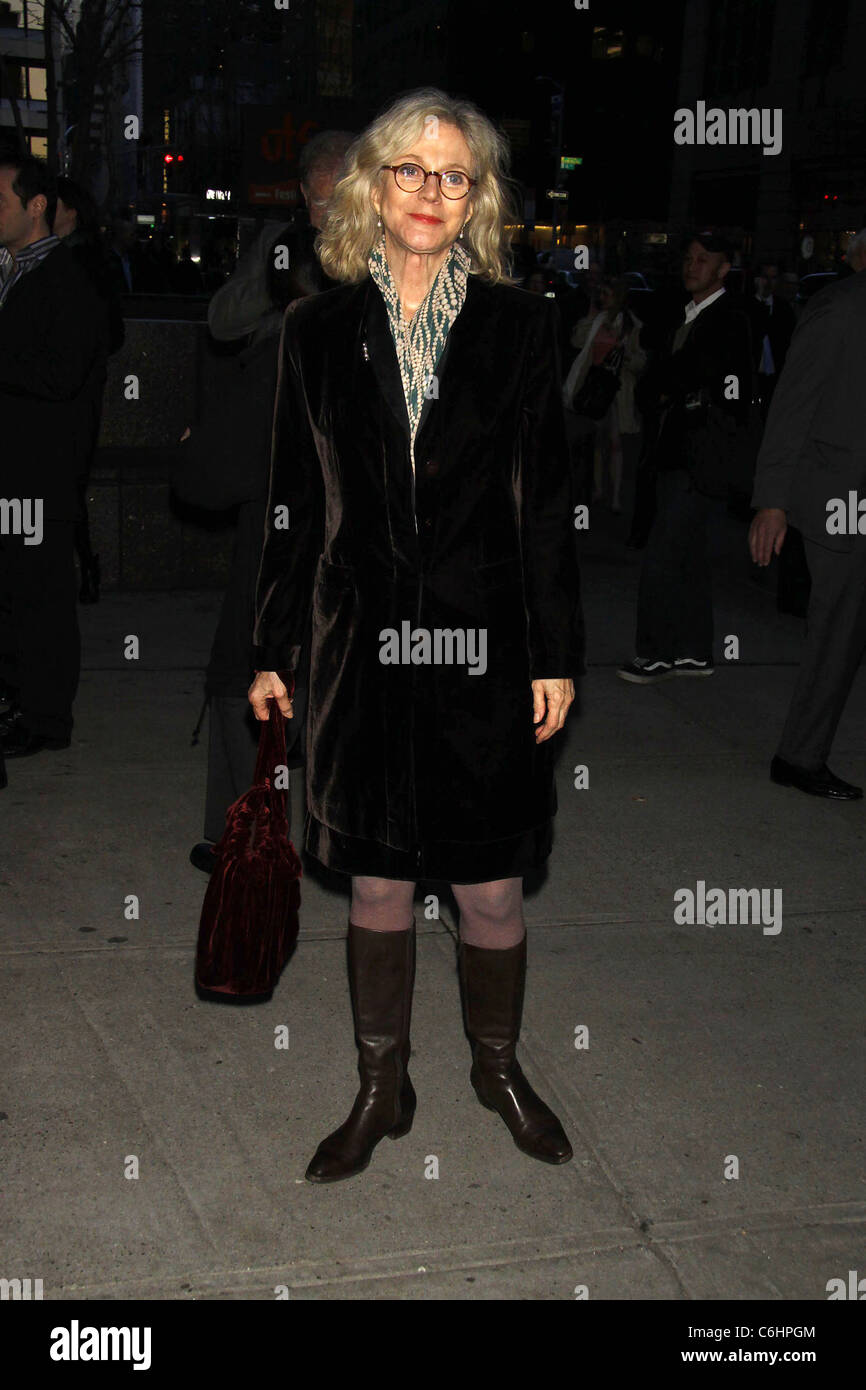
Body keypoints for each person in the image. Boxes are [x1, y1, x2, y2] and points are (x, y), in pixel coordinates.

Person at [248, 86, 584, 1184]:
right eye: (410, 169)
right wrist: (270, 646)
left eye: (454, 174)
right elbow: (293, 501)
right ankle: (381, 1085)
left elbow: (541, 507)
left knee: (488, 886)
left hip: (485, 649)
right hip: (357, 650)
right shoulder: (315, 328)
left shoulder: (522, 326)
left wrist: (555, 654)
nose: (431, 191)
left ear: (476, 196)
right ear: (373, 185)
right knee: (379, 883)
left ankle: (494, 1068)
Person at [0, 154, 108, 759]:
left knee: (39, 592)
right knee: (12, 588)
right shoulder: (9, 269)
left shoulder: (68, 277)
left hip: (38, 472)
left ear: (35, 206)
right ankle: (18, 700)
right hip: (12, 466)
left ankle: (44, 716)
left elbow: (63, 373)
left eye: (1, 200)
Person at [748, 253, 866, 800]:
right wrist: (772, 501)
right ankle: (799, 757)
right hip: (839, 503)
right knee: (837, 637)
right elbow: (790, 407)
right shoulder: (840, 309)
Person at [617, 231, 753, 684]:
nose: (692, 265)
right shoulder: (684, 314)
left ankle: (654, 653)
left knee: (662, 554)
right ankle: (695, 651)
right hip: (677, 453)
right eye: (689, 258)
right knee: (690, 555)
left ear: (723, 269)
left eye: (703, 259)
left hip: (701, 457)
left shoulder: (730, 316)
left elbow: (691, 374)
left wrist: (663, 383)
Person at [208, 129, 353, 346]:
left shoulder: (388, 244)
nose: (332, 217)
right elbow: (220, 322)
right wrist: (275, 284)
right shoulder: (279, 243)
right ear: (305, 194)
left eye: (342, 204)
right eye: (322, 204)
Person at [53, 175, 125, 604]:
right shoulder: (66, 259)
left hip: (76, 390)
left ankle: (81, 567)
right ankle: (82, 567)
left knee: (66, 482)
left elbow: (108, 330)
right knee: (66, 483)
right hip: (75, 387)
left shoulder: (83, 262)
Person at [563, 276, 645, 513]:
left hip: (617, 391)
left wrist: (625, 353)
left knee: (615, 442)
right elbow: (577, 341)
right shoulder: (596, 320)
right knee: (596, 441)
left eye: (607, 294)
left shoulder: (630, 325)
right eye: (601, 294)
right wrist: (589, 319)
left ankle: (616, 495)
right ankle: (598, 488)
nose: (602, 298)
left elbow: (640, 361)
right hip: (593, 388)